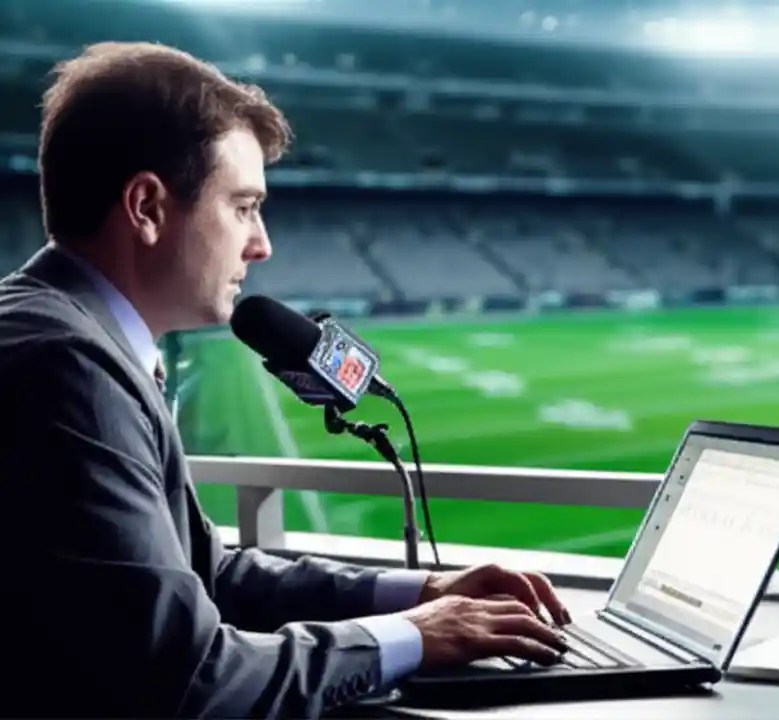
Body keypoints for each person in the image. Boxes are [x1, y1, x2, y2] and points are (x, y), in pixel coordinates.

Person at [0, 41, 571, 718]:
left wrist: (419, 592)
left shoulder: (69, 336)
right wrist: (412, 638)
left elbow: (207, 571)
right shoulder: (68, 365)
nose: (262, 244)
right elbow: (188, 679)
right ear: (147, 207)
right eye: (243, 206)